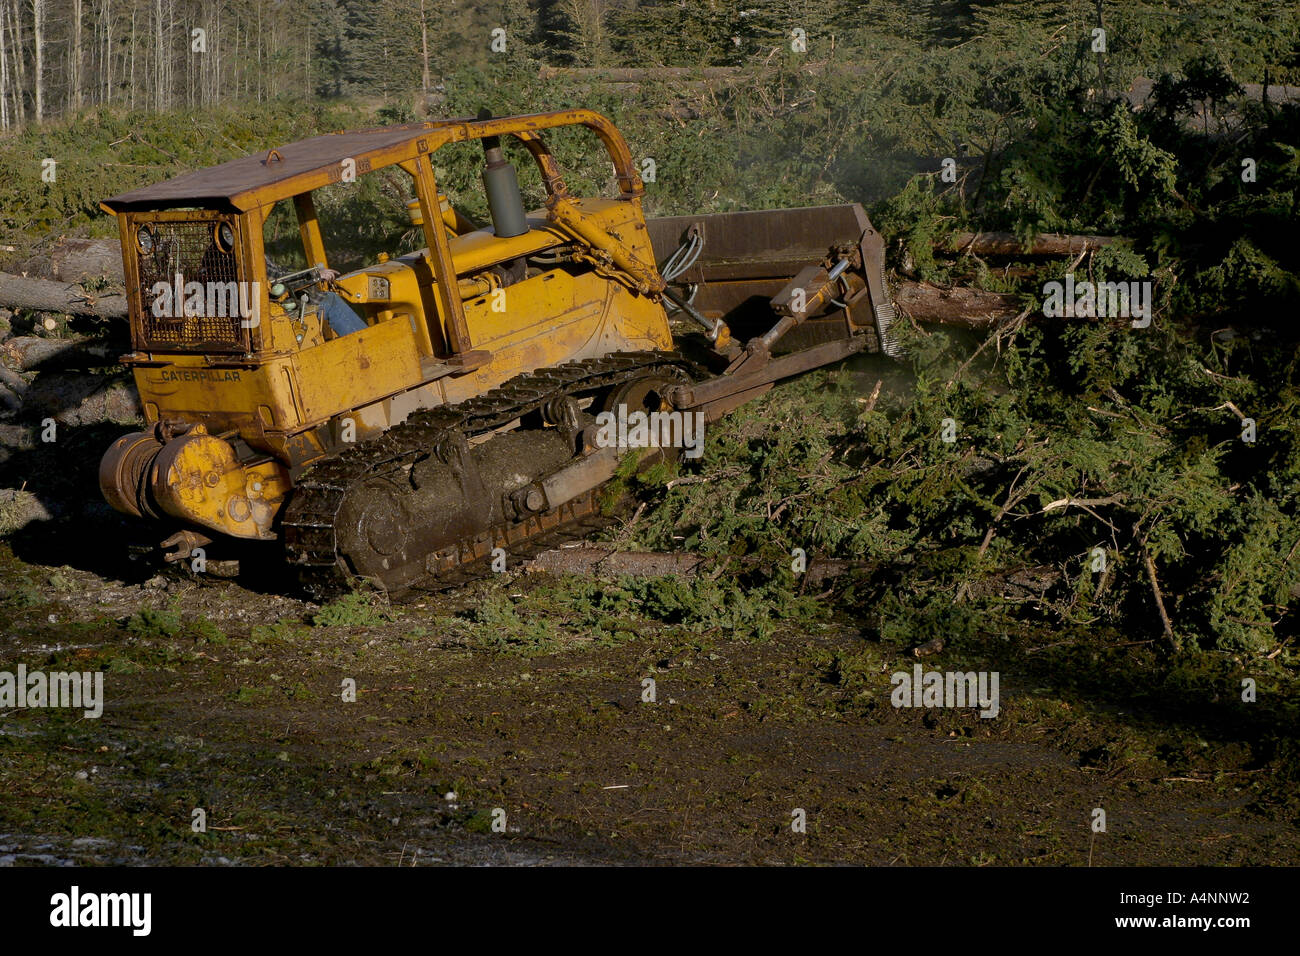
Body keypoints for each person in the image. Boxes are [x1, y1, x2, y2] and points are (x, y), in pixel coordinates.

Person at [265, 255, 368, 336]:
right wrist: (315, 275)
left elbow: (281, 273)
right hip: (274, 315)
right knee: (331, 301)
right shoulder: (253, 258)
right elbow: (279, 278)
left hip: (266, 311)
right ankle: (365, 343)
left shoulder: (253, 255)